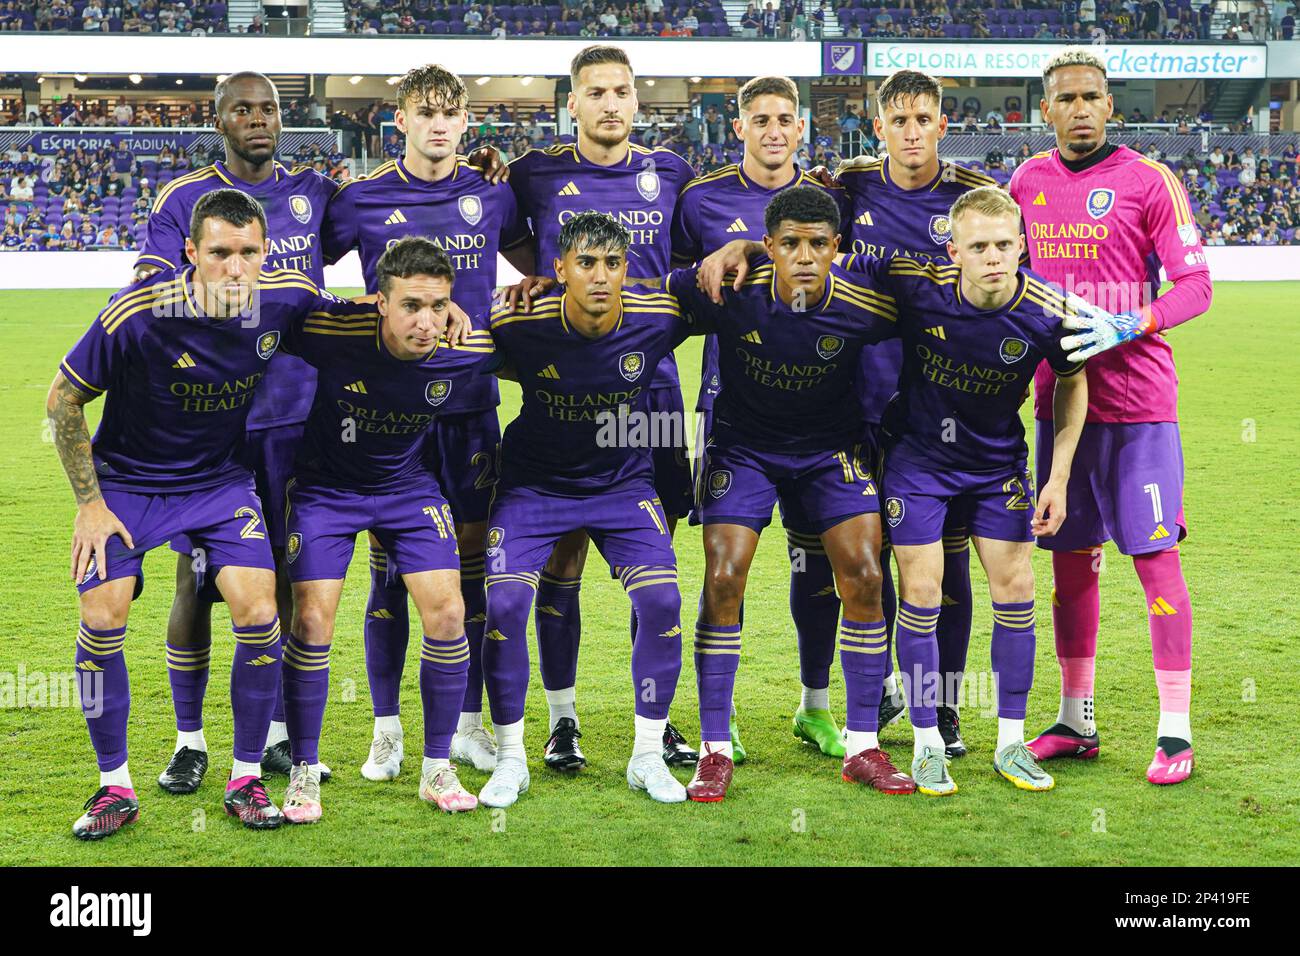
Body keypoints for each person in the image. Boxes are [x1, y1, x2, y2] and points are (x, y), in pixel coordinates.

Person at [48, 189, 340, 839]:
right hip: (127, 483)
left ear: (266, 252)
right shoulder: (139, 313)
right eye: (219, 254)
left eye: (248, 253)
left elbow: (352, 325)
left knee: (260, 612)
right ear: (191, 253)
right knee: (102, 616)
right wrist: (90, 506)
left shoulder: (284, 296)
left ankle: (244, 777)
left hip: (218, 483)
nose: (236, 269)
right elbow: (63, 400)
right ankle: (112, 787)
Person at [133, 72, 340, 794]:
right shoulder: (185, 200)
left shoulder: (314, 193)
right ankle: (190, 742)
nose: (259, 120)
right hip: (208, 430)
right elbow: (148, 295)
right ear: (217, 120)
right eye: (242, 109)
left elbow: (386, 223)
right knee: (194, 583)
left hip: (296, 422)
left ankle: (277, 736)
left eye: (270, 109)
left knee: (282, 578)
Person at [1009, 47, 1212, 785]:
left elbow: (1197, 285)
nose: (1081, 108)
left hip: (1138, 411)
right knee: (1070, 566)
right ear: (1046, 111)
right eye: (1066, 99)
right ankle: (1075, 718)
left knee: (1156, 562)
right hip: (1058, 408)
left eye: (1093, 96)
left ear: (1111, 105)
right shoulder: (1026, 181)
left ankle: (1175, 733)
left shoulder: (1149, 181)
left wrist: (1132, 323)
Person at [321, 63, 528, 781]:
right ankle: (386, 730)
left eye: (451, 113)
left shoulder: (490, 193)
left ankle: (468, 725)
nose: (439, 124)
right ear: (399, 119)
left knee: (468, 571)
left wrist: (522, 299)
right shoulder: (362, 200)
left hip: (470, 411)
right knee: (388, 574)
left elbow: (537, 266)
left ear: (466, 122)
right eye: (425, 112)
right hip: (388, 417)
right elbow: (299, 275)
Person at [671, 187, 908, 802]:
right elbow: (640, 300)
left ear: (837, 248)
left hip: (830, 451)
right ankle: (715, 747)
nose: (805, 256)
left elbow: (943, 310)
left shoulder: (865, 302)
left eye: (819, 244)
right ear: (769, 247)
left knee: (863, 574)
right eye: (791, 244)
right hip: (742, 449)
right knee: (724, 576)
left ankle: (862, 746)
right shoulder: (728, 289)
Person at [500, 45, 698, 771]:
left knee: (652, 551)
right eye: (595, 92)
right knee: (562, 557)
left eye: (621, 91)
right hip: (566, 378)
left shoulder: (671, 173)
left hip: (653, 390)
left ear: (637, 102)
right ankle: (563, 718)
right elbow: (518, 248)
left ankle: (659, 718)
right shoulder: (533, 172)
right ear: (572, 103)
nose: (610, 104)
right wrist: (533, 288)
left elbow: (693, 262)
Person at [859, 186, 1089, 794]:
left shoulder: (1049, 310)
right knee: (923, 590)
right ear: (953, 250)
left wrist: (1057, 475)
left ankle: (1011, 742)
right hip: (918, 460)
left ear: (1022, 245)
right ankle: (928, 740)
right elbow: (837, 262)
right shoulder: (915, 282)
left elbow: (1073, 386)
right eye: (979, 246)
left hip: (996, 465)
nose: (994, 256)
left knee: (1016, 589)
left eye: (1005, 244)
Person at [478, 212, 697, 808]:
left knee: (662, 599)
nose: (601, 276)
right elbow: (459, 336)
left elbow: (727, 291)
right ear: (558, 270)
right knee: (505, 602)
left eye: (613, 264)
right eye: (586, 264)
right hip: (534, 486)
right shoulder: (517, 319)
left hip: (623, 484)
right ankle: (511, 758)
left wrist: (743, 248)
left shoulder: (658, 315)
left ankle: (647, 755)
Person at [813, 69, 999, 757]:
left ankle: (944, 707)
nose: (912, 131)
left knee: (943, 563)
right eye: (899, 121)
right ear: (880, 127)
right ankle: (893, 687)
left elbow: (1004, 284)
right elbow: (792, 226)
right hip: (856, 402)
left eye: (924, 119)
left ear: (942, 124)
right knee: (871, 555)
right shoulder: (850, 187)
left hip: (940, 411)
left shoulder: (972, 199)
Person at [670, 75, 853, 762]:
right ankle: (724, 719)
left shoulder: (833, 198)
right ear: (737, 126)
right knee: (727, 567)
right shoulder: (699, 199)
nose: (773, 130)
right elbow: (676, 292)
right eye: (760, 119)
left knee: (818, 564)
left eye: (785, 118)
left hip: (821, 413)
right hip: (730, 414)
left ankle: (815, 707)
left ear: (801, 128)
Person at [278, 238, 486, 821]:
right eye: (411, 306)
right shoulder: (333, 330)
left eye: (439, 306)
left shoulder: (465, 347)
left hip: (407, 489)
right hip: (325, 489)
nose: (426, 323)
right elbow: (280, 312)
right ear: (380, 304)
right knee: (313, 619)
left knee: (448, 612)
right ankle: (302, 772)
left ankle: (436, 767)